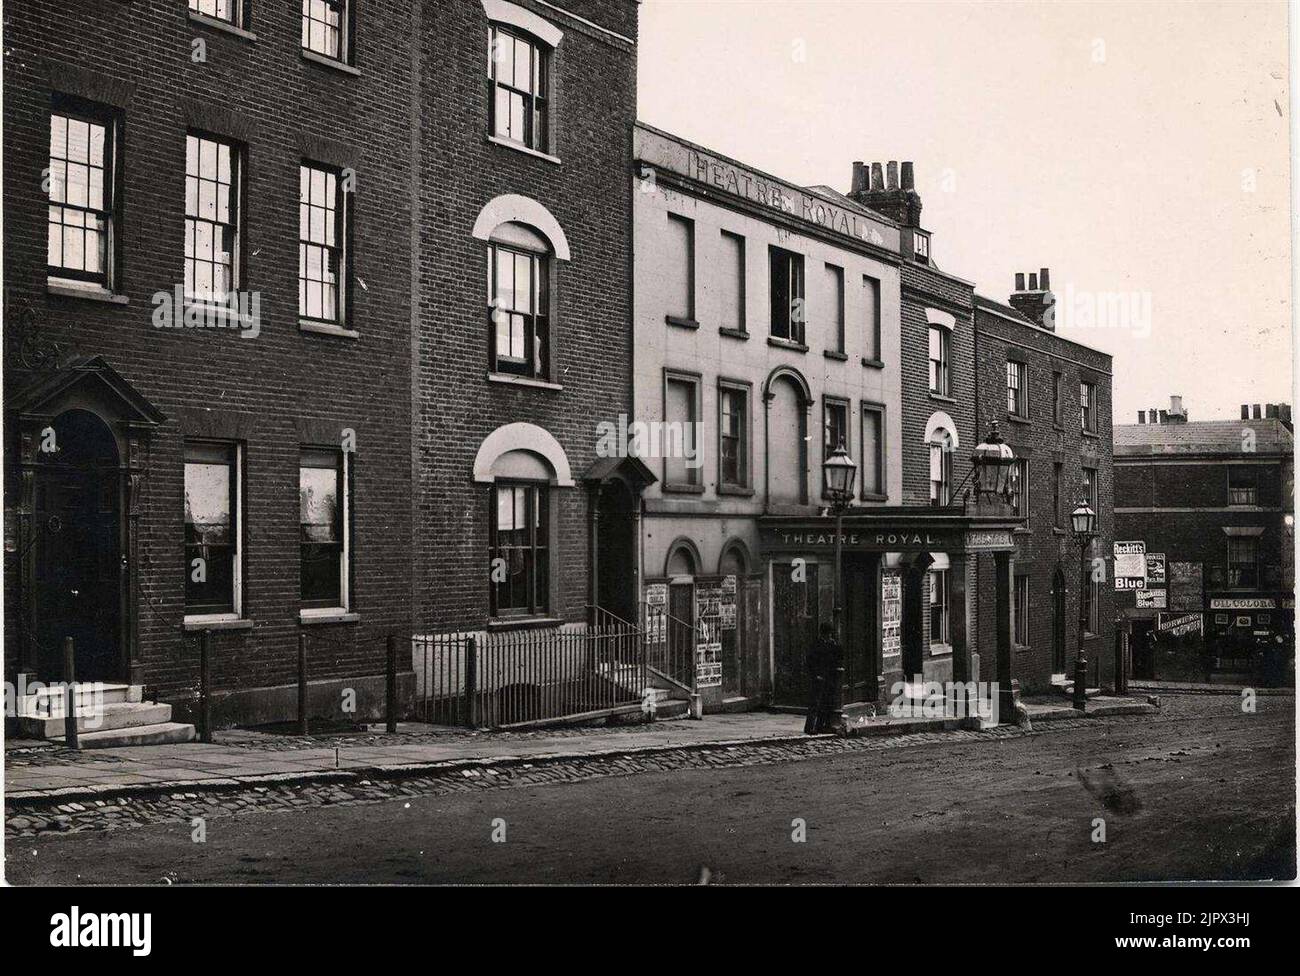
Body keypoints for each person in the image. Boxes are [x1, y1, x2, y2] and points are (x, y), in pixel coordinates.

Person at [804, 621, 844, 734]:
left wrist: (836, 644)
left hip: (828, 677)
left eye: (830, 634)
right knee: (815, 704)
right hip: (818, 677)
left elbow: (840, 655)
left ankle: (820, 726)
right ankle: (810, 727)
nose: (829, 636)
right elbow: (810, 661)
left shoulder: (831, 644)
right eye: (827, 634)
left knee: (825, 704)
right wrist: (815, 675)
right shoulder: (816, 645)